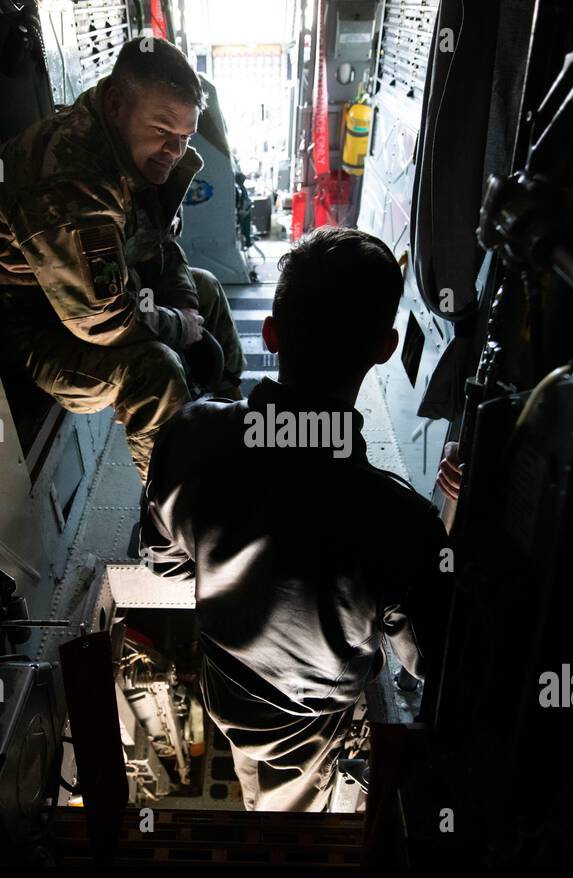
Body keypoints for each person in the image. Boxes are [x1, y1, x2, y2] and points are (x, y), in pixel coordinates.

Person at [140, 226, 452, 812]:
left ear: (272, 334)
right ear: (384, 349)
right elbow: (429, 664)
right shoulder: (401, 524)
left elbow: (163, 566)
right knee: (286, 814)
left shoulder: (189, 435)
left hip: (224, 685)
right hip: (305, 727)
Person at [0, 37, 244, 481]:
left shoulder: (135, 149)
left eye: (184, 137)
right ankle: (169, 521)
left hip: (108, 291)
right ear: (116, 104)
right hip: (40, 332)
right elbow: (103, 321)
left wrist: (187, 308)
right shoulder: (71, 180)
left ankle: (227, 417)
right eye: (161, 130)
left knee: (206, 288)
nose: (174, 152)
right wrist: (181, 328)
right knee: (156, 371)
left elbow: (160, 244)